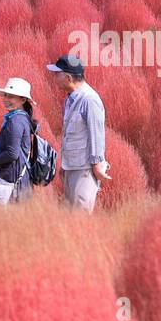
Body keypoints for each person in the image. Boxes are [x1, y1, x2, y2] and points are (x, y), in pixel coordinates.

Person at [46, 54, 109, 212]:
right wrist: (65, 164)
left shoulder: (89, 99)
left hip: (85, 168)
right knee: (70, 214)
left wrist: (96, 165)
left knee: (81, 215)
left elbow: (97, 134)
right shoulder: (70, 98)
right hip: (72, 166)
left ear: (68, 77)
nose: (54, 77)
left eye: (57, 74)